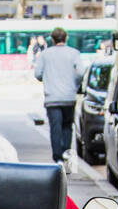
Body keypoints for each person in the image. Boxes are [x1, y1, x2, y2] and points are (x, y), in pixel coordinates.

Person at [33, 27, 83, 164]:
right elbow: (80, 73)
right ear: (66, 38)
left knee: (55, 127)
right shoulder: (74, 53)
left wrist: (48, 78)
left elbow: (37, 74)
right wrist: (74, 84)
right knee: (67, 126)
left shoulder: (45, 54)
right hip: (69, 97)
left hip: (52, 98)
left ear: (53, 39)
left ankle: (58, 157)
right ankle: (66, 152)